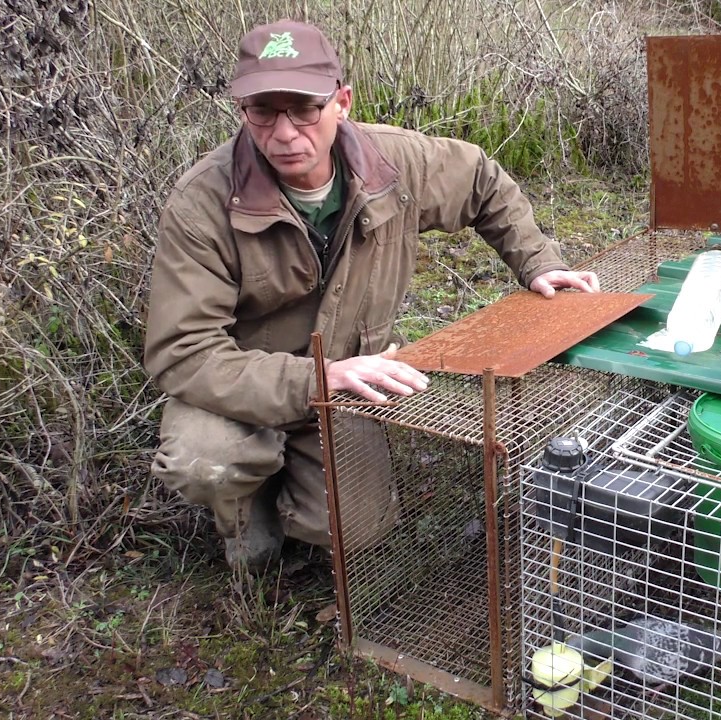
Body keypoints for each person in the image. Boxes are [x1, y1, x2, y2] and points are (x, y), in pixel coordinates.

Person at [142, 19, 600, 572]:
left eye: (305, 108)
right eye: (263, 111)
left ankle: (302, 482)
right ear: (243, 111)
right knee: (206, 461)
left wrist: (539, 261)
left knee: (355, 530)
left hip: (352, 378)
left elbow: (482, 182)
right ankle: (247, 507)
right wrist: (316, 378)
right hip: (245, 388)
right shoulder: (203, 202)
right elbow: (184, 351)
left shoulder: (395, 164)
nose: (285, 133)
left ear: (341, 101)